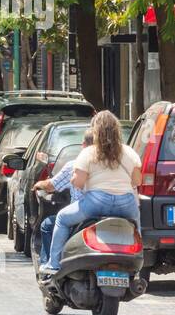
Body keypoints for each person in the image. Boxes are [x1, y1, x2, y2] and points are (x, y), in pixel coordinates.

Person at [39, 111, 142, 276]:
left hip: (96, 203)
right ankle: (137, 265)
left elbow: (78, 183)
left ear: (95, 131)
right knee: (135, 226)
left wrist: (77, 180)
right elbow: (137, 181)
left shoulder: (88, 153)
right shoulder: (129, 152)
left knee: (62, 219)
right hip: (126, 204)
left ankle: (54, 264)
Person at [32, 129, 92, 268]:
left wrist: (39, 184)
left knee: (49, 224)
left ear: (83, 145)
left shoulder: (74, 165)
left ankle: (52, 265)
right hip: (112, 211)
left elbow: (51, 186)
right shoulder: (111, 164)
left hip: (83, 213)